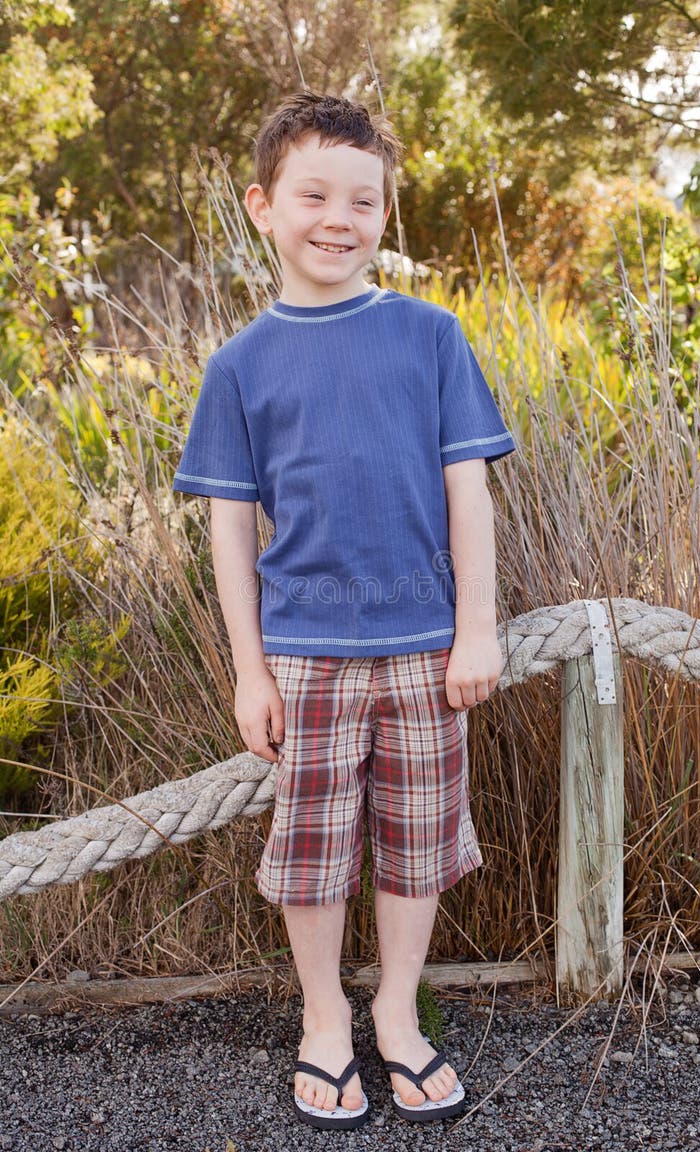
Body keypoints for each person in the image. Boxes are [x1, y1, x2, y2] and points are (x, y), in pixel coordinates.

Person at [172, 92, 515, 1130]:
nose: (338, 219)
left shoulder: (430, 336)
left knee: (418, 841)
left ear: (384, 213)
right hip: (304, 654)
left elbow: (468, 491)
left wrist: (478, 626)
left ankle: (399, 1011)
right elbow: (231, 531)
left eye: (363, 201)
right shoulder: (239, 367)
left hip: (426, 650)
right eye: (314, 195)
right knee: (314, 849)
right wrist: (249, 670)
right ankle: (324, 1018)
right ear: (263, 206)